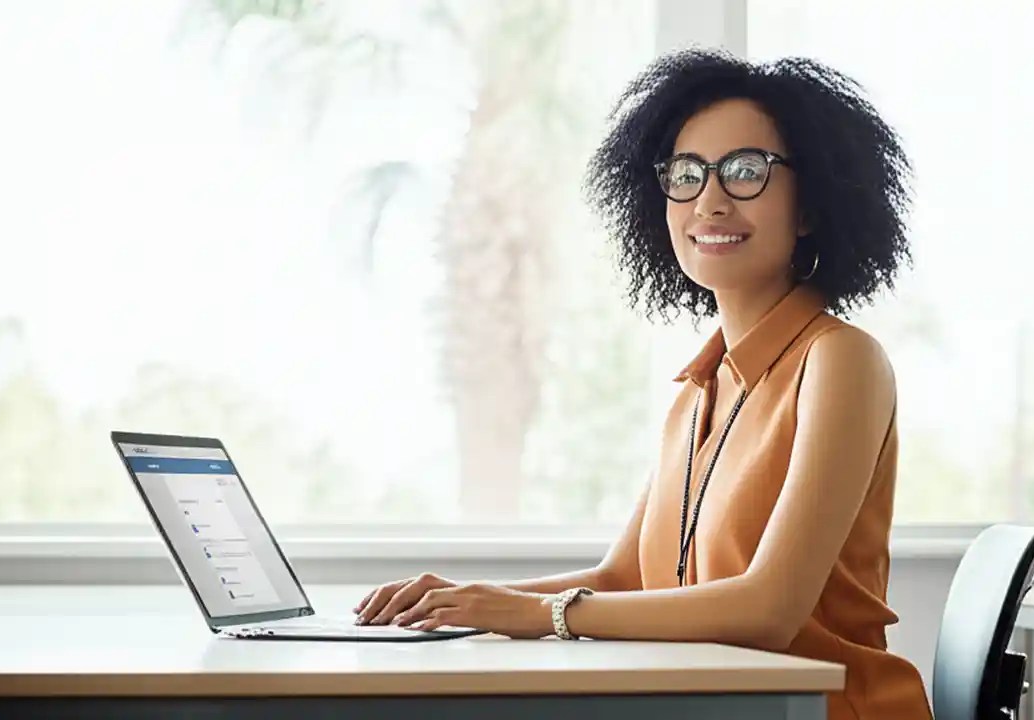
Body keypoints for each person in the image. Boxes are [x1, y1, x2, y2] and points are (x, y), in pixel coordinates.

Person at [353, 48, 931, 719]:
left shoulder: (840, 361)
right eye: (686, 175)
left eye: (746, 172)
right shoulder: (697, 389)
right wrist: (467, 602)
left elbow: (770, 610)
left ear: (810, 205)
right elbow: (619, 580)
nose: (710, 200)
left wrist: (533, 613)